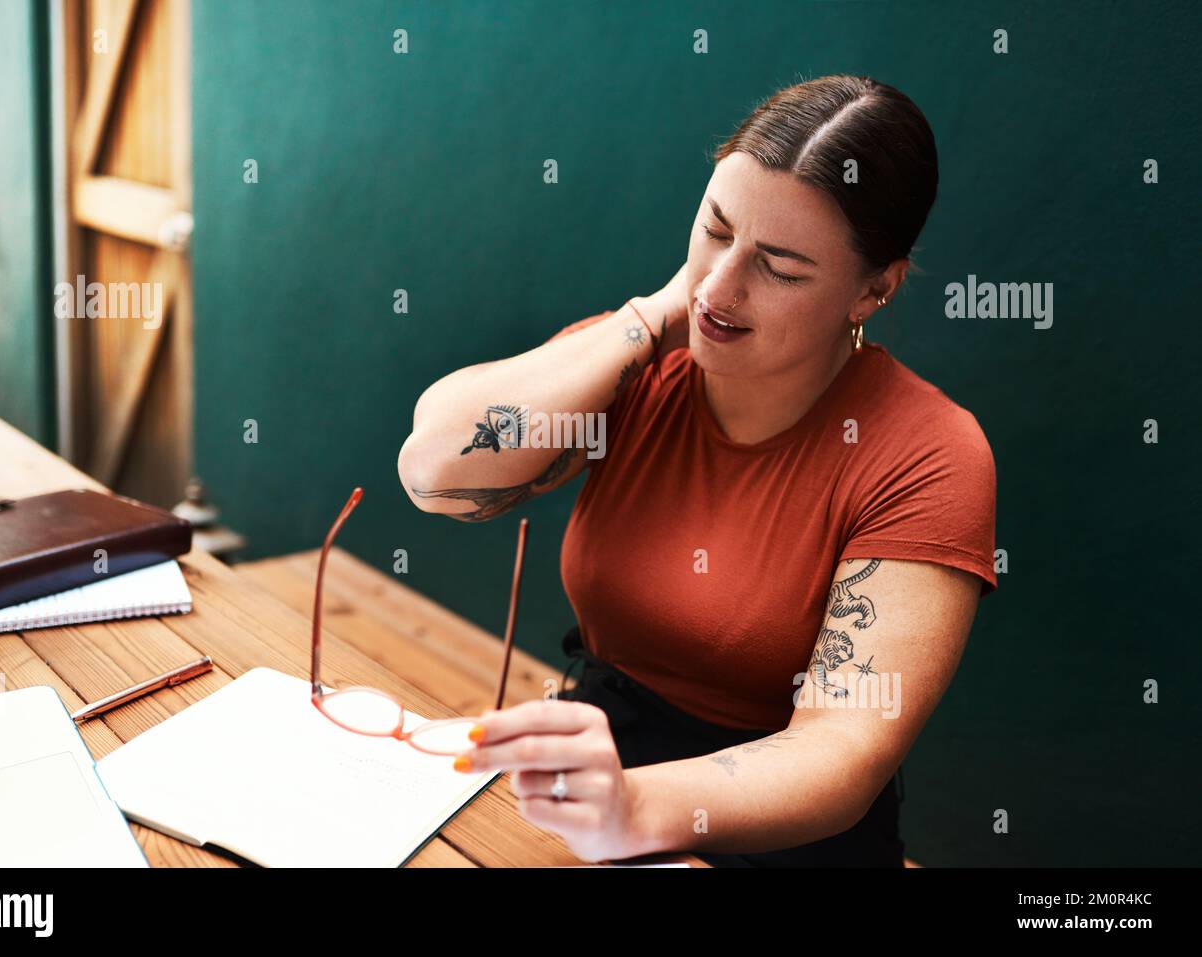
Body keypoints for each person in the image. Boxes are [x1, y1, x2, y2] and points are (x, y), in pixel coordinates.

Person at [397, 74, 997, 866]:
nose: (720, 288)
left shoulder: (928, 453)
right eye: (717, 228)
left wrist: (635, 806)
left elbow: (842, 746)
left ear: (874, 288)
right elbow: (434, 470)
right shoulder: (640, 360)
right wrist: (653, 315)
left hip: (777, 834)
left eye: (779, 268)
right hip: (589, 792)